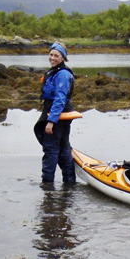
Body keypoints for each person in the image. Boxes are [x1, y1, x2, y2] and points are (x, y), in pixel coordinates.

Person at [35, 41, 76, 184]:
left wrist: (51, 122)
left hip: (58, 116)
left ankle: (47, 186)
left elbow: (60, 99)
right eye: (51, 55)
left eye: (56, 56)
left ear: (63, 57)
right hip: (60, 114)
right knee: (64, 148)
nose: (52, 58)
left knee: (51, 150)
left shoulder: (62, 75)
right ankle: (69, 184)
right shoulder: (57, 72)